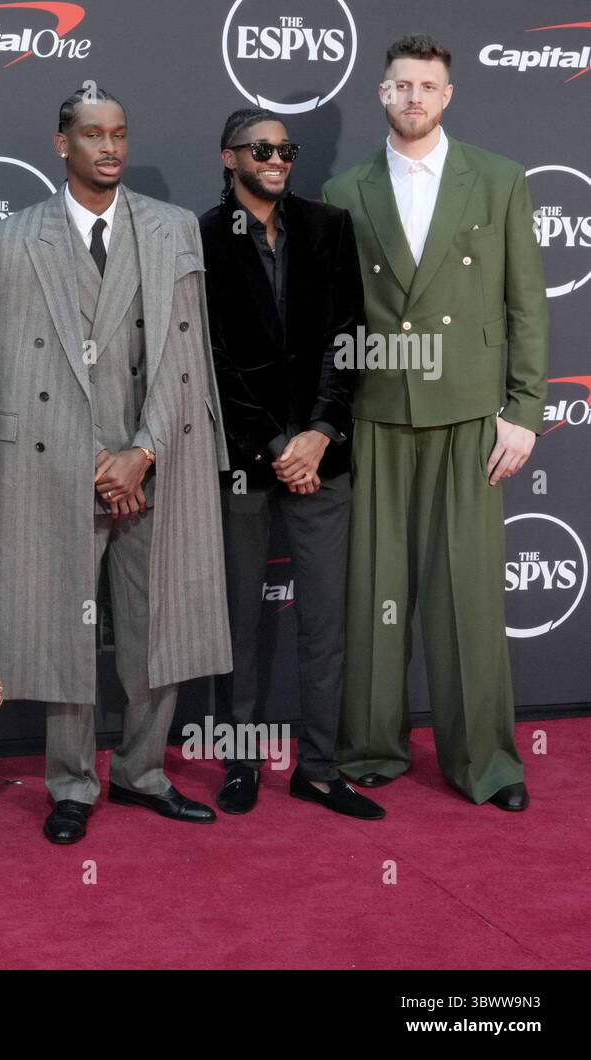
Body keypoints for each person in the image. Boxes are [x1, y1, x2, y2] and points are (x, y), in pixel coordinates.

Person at [0, 88, 232, 844]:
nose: (110, 148)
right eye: (93, 135)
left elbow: (187, 359)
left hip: (156, 459)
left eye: (120, 134)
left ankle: (143, 770)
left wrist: (141, 453)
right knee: (62, 621)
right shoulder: (13, 238)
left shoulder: (173, 229)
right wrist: (96, 462)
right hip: (56, 461)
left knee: (163, 619)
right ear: (62, 145)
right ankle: (70, 782)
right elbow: (6, 370)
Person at [322, 34, 549, 810]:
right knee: (375, 592)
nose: (413, 96)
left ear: (447, 96)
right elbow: (333, 316)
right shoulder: (344, 188)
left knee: (469, 596)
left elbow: (527, 303)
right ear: (381, 97)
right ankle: (370, 749)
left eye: (427, 85)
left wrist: (524, 411)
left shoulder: (498, 179)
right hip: (380, 412)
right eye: (399, 86)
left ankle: (486, 761)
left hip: (468, 414)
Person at [201, 108, 382, 819]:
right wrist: (275, 446)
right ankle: (240, 761)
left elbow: (350, 337)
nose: (277, 159)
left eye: (287, 148)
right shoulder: (205, 238)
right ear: (229, 158)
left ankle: (319, 768)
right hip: (247, 462)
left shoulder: (328, 228)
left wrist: (320, 432)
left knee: (325, 624)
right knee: (240, 619)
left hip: (323, 458)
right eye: (262, 148)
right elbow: (211, 360)